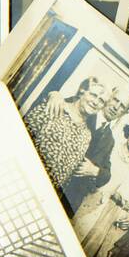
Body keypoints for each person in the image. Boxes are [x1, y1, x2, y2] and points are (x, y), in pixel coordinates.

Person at [21, 76, 106, 208]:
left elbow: (66, 178)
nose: (96, 102)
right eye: (93, 95)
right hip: (22, 179)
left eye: (101, 101)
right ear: (82, 91)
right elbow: (20, 134)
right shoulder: (54, 106)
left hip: (42, 200)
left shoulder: (87, 135)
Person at [77, 119, 129, 257]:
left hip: (108, 209)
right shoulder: (112, 146)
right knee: (77, 233)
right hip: (92, 197)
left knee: (89, 249)